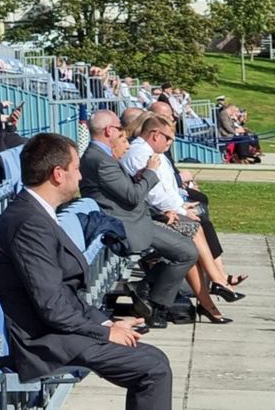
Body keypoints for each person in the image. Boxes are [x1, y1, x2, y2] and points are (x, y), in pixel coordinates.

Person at [0, 132, 173, 410]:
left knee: (155, 362)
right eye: (76, 169)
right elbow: (52, 305)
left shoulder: (35, 214)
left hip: (55, 329)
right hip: (42, 340)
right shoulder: (29, 223)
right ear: (58, 174)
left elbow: (63, 295)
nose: (81, 177)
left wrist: (108, 324)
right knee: (152, 368)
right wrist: (103, 333)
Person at [79, 110, 197, 328]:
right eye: (121, 133)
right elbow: (132, 196)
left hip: (135, 218)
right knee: (186, 251)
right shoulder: (100, 159)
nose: (125, 138)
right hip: (124, 226)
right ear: (109, 131)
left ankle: (149, 294)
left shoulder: (103, 157)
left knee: (187, 245)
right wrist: (151, 172)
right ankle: (154, 301)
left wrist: (158, 212)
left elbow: (127, 194)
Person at [121, 115, 244, 323]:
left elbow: (167, 189)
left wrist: (181, 206)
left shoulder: (153, 153)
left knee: (194, 231)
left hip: (160, 211)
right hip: (149, 216)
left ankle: (212, 295)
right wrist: (180, 209)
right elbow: (155, 195)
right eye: (168, 138)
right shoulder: (140, 154)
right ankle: (216, 287)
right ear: (154, 135)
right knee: (192, 233)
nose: (171, 142)